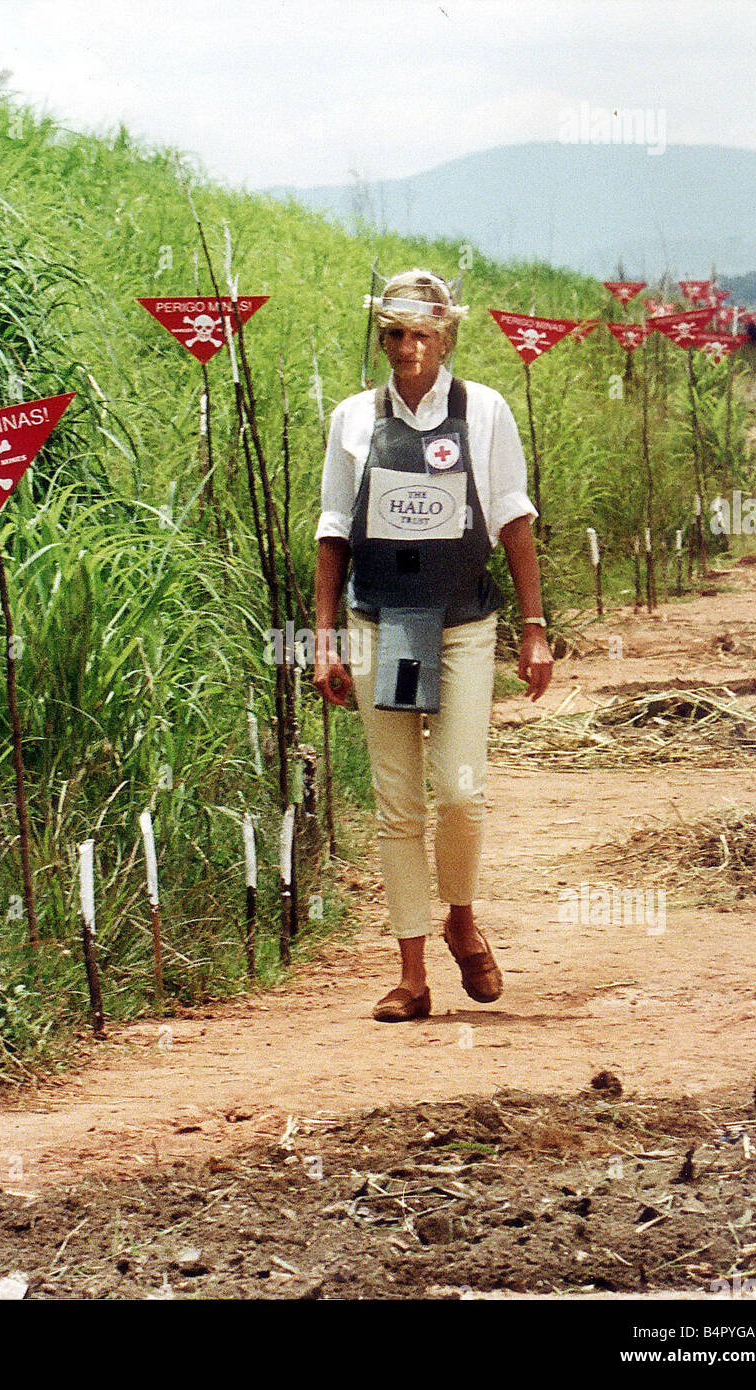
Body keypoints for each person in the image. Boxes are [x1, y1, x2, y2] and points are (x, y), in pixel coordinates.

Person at [312, 269, 553, 1022]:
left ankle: (460, 916)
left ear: (446, 335)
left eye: (422, 333)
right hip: (384, 623)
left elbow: (513, 519)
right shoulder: (353, 419)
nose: (408, 348)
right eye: (394, 334)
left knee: (457, 791)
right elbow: (331, 531)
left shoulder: (483, 412)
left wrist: (535, 628)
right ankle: (411, 975)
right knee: (396, 803)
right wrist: (323, 640)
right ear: (379, 337)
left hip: (460, 623)